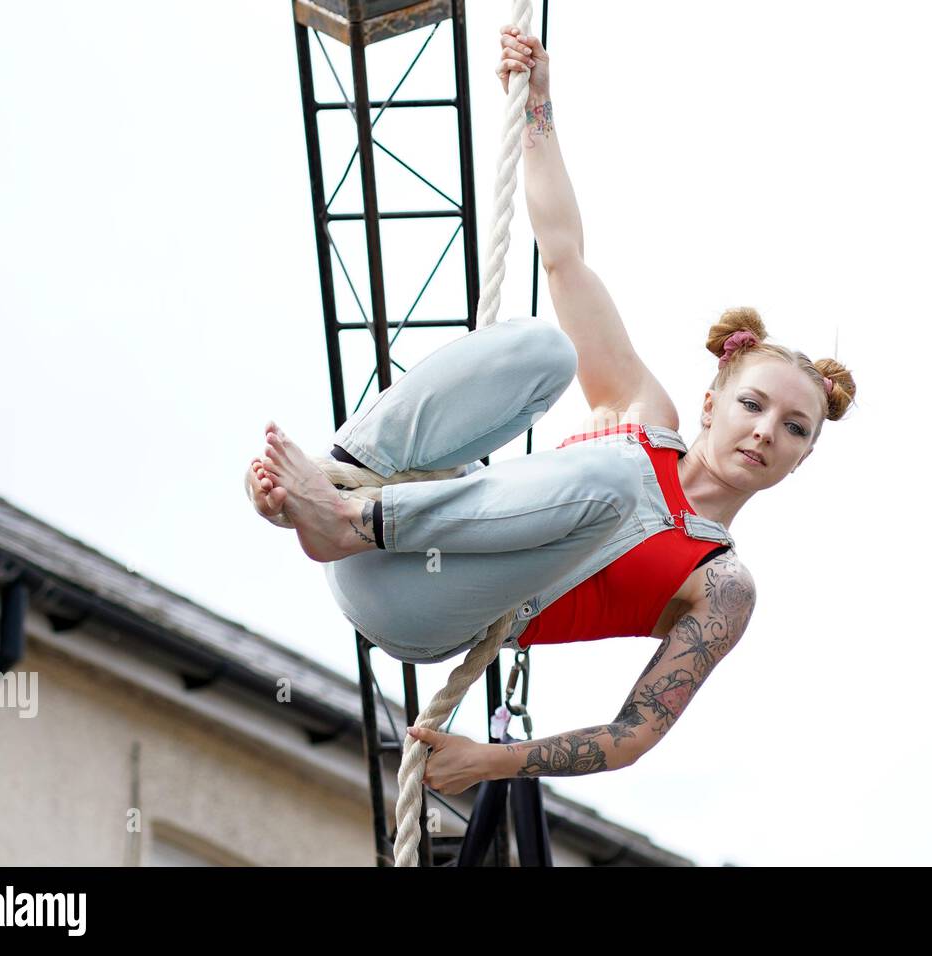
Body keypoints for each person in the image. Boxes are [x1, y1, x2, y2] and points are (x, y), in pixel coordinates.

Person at [244, 25, 855, 796]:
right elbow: (563, 256)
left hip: (419, 603)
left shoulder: (722, 584)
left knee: (616, 480)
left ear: (803, 457)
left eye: (794, 429)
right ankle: (342, 477)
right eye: (754, 405)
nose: (766, 431)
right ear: (712, 401)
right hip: (369, 519)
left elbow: (636, 732)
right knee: (543, 347)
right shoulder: (645, 413)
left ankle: (349, 517)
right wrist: (538, 108)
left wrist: (495, 761)